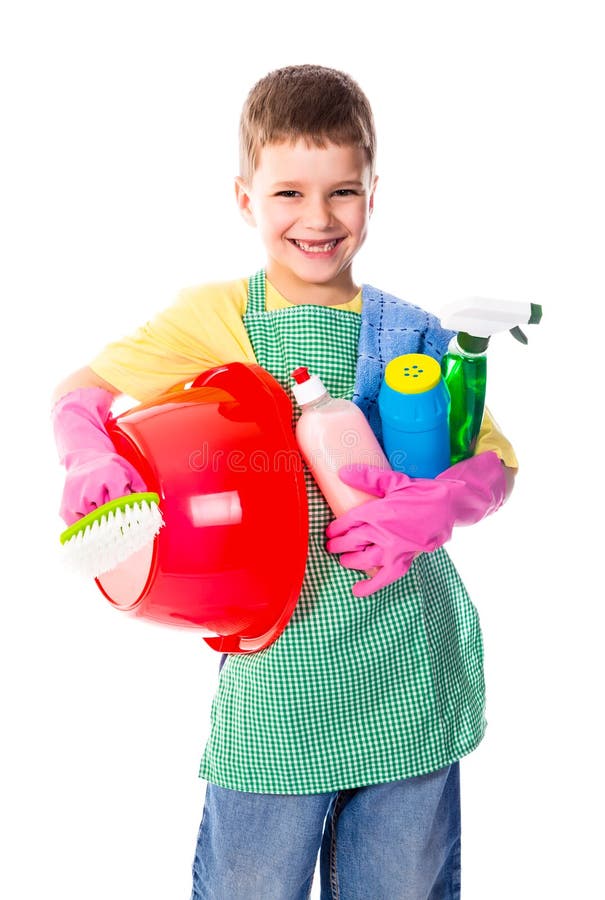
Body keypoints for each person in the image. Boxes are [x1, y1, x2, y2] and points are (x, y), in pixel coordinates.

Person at [52, 64, 518, 899]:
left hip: (407, 661)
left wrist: (446, 503)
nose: (317, 218)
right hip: (276, 675)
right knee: (248, 882)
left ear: (373, 194)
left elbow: (493, 461)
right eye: (288, 193)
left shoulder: (407, 330)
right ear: (244, 197)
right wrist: (90, 454)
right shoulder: (215, 315)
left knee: (402, 885)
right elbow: (80, 391)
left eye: (342, 191)